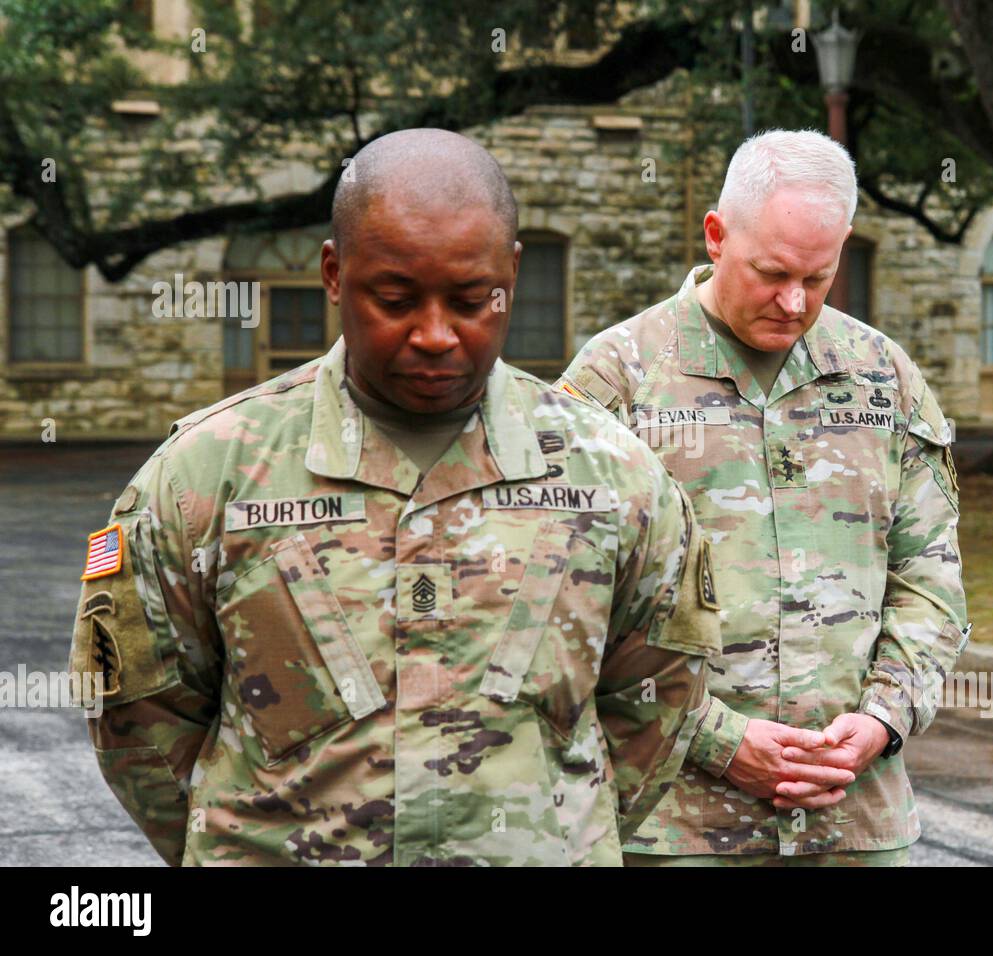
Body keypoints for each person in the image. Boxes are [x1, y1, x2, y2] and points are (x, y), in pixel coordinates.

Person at [67, 128, 720, 866]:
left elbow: (661, 699)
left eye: (472, 300)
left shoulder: (615, 475)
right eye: (396, 298)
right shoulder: (204, 476)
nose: (436, 334)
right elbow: (136, 718)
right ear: (335, 273)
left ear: (512, 274)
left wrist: (552, 835)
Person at [557, 128, 971, 866]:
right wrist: (713, 736)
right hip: (672, 825)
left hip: (853, 822)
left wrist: (882, 719)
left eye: (818, 278)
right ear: (717, 236)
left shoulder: (884, 377)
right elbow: (564, 603)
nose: (793, 301)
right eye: (772, 272)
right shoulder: (616, 381)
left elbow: (930, 581)